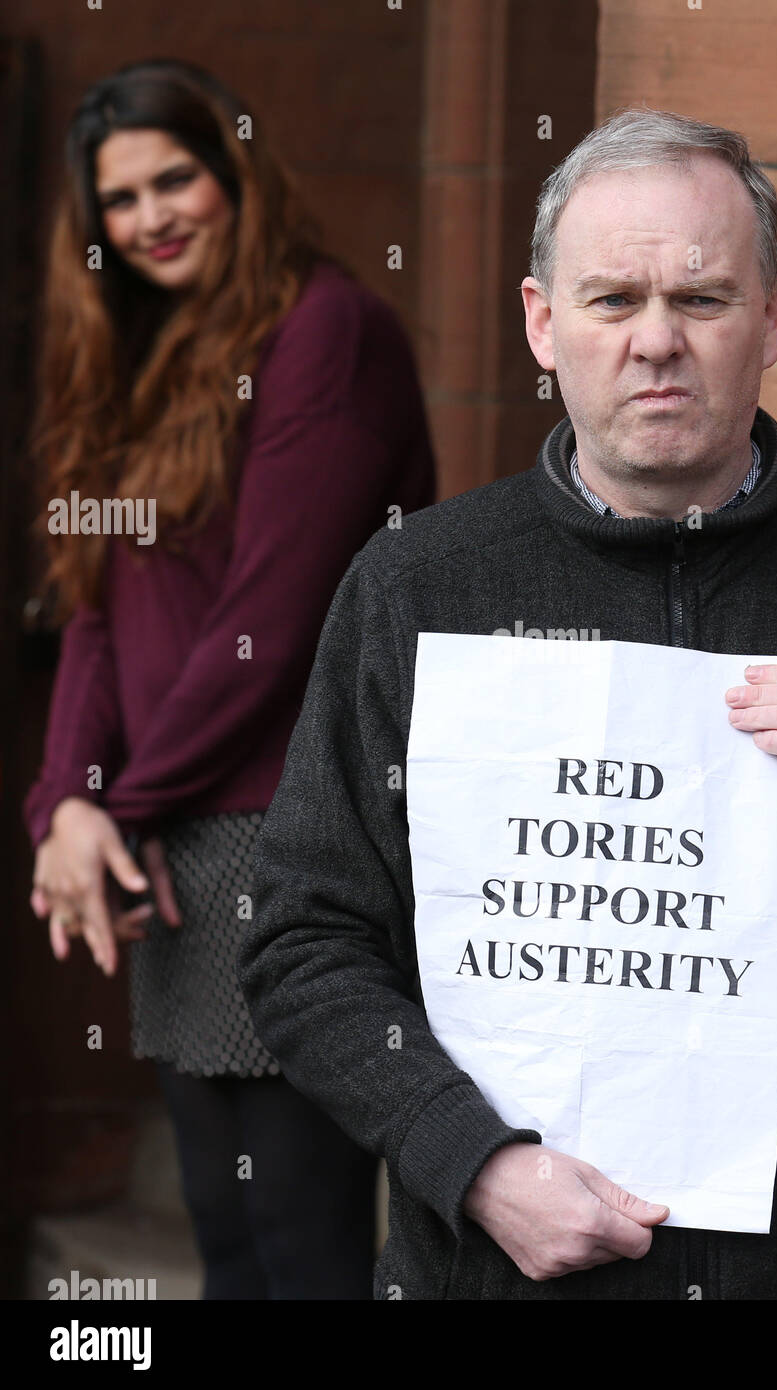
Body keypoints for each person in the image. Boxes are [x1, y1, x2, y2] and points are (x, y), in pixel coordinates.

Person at [237, 108, 777, 1300]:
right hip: (493, 1277)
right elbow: (299, 943)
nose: (655, 343)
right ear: (541, 322)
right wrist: (469, 1163)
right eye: (611, 299)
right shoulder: (416, 586)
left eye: (700, 301)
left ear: (775, 317)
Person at [24, 58, 435, 1299]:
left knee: (301, 1250)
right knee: (227, 1238)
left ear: (234, 173)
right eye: (121, 198)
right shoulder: (149, 365)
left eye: (176, 177)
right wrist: (66, 808)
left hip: (288, 838)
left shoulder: (327, 330)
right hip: (174, 844)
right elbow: (98, 616)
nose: (150, 216)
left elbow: (276, 617)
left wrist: (123, 809)